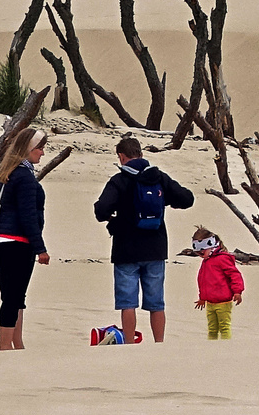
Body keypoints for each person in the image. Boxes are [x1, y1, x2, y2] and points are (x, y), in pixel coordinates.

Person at [94, 136, 194, 342]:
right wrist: (169, 202)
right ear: (141, 153)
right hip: (155, 248)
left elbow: (101, 209)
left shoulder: (119, 180)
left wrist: (112, 217)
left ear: (122, 156)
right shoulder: (158, 177)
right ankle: (159, 343)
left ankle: (129, 343)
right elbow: (187, 198)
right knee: (156, 302)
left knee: (127, 302)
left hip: (125, 249)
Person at [0, 127, 51, 350]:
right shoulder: (24, 177)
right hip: (18, 242)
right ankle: (6, 345)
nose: (42, 153)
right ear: (28, 149)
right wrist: (40, 249)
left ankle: (17, 341)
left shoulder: (11, 172)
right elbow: (28, 217)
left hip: (4, 241)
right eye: (40, 148)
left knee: (14, 294)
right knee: (12, 295)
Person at [190, 227, 244, 340]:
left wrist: (237, 291)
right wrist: (202, 297)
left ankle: (226, 348)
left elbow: (235, 275)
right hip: (210, 303)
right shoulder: (206, 261)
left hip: (223, 302)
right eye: (198, 253)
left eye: (202, 251)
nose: (200, 254)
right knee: (212, 328)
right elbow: (204, 281)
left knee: (224, 327)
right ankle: (211, 349)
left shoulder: (222, 259)